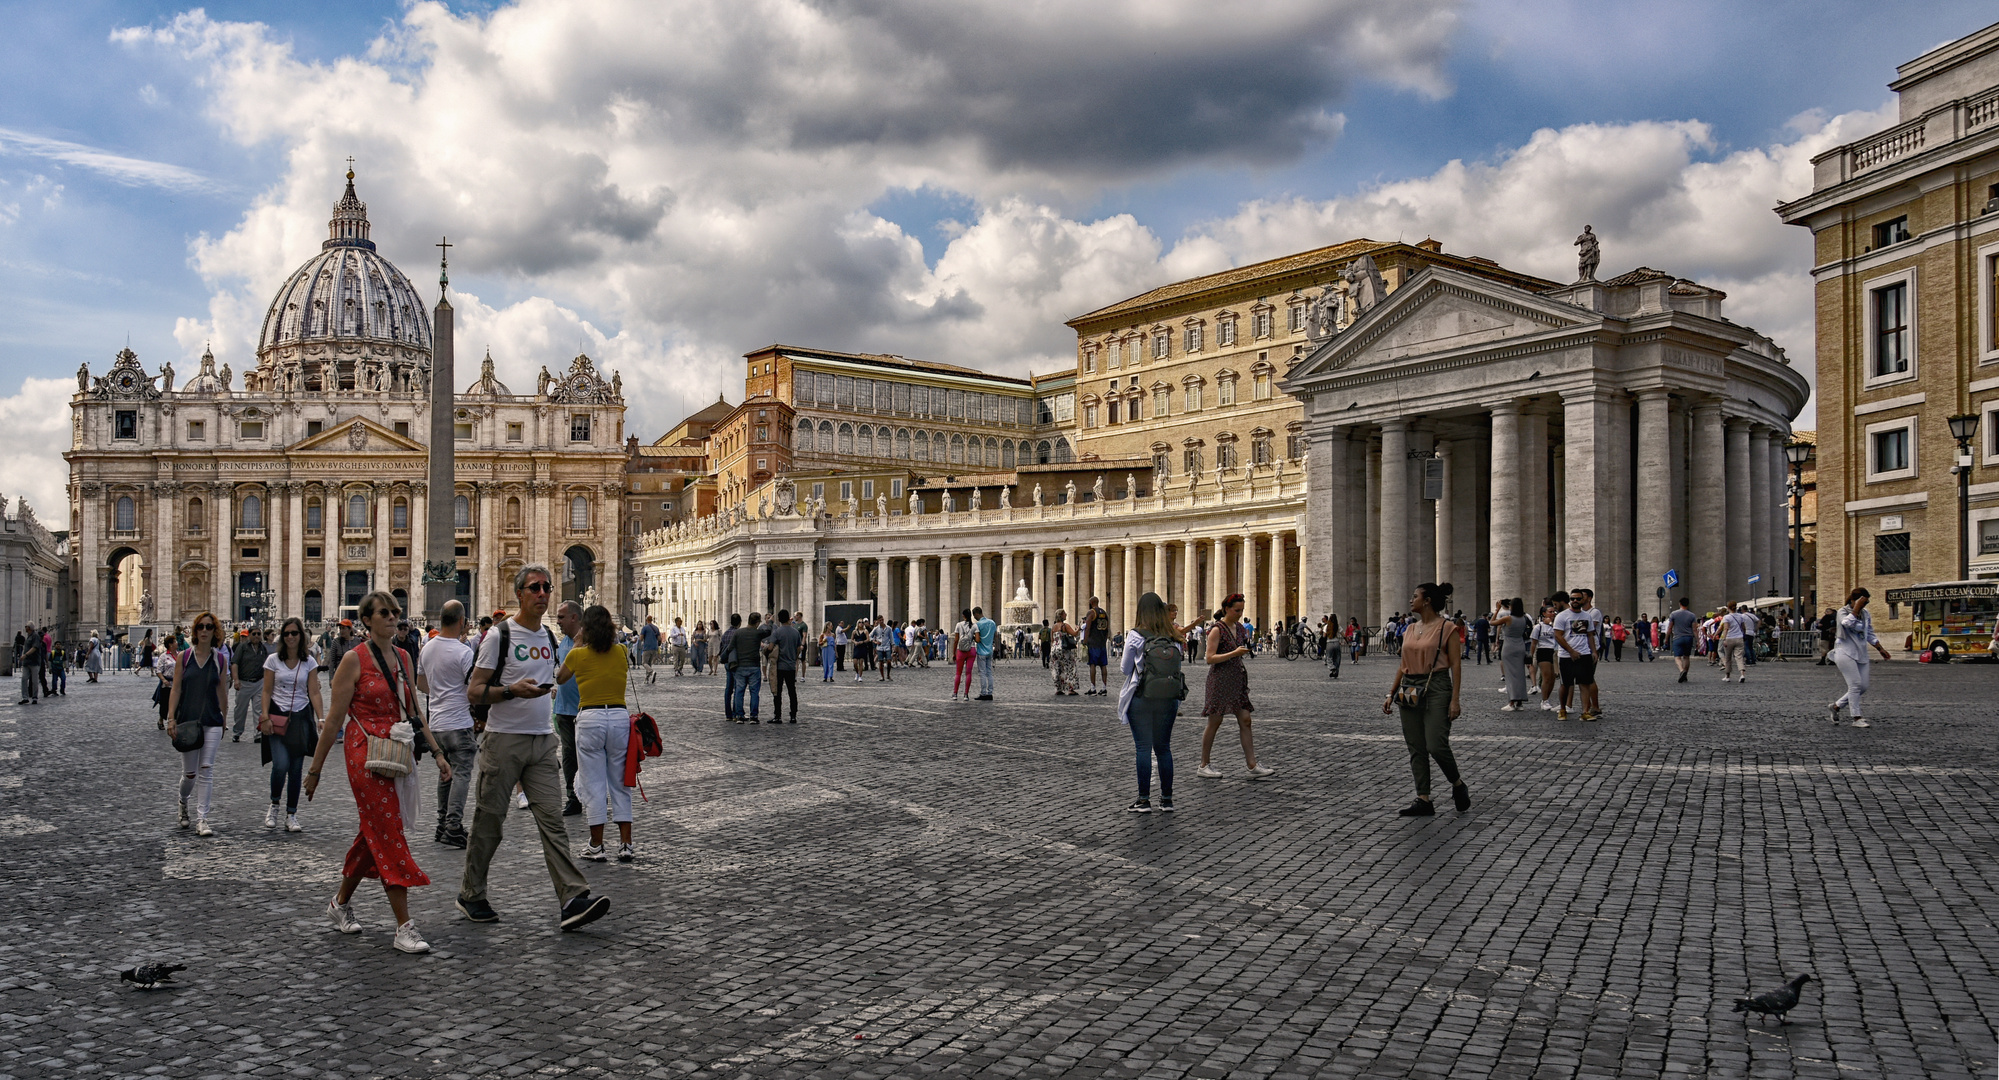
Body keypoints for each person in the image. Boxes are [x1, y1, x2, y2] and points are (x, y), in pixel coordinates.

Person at [458, 564, 610, 931]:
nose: (543, 593)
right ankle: (471, 893)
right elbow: (474, 691)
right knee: (489, 823)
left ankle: (573, 897)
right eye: (535, 588)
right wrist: (512, 690)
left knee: (553, 822)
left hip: (542, 740)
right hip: (503, 739)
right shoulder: (499, 636)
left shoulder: (547, 635)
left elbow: (553, 677)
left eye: (547, 587)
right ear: (519, 594)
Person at [303, 591, 452, 954]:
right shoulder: (353, 660)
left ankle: (339, 904)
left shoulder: (403, 657)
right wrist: (316, 769)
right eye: (384, 613)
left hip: (396, 751)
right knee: (388, 830)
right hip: (363, 752)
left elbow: (414, 709)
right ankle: (404, 926)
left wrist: (437, 752)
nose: (392, 618)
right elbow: (334, 719)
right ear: (367, 620)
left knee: (373, 831)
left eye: (396, 612)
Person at [554, 604, 636, 862]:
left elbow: (560, 678)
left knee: (593, 784)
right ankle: (625, 844)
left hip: (590, 718)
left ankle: (597, 845)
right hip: (619, 717)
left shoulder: (578, 655)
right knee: (621, 782)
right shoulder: (622, 651)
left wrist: (578, 644)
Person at [1382, 582, 1469, 816]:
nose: (1411, 600)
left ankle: (1458, 784)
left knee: (1436, 744)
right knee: (1416, 746)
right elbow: (1403, 664)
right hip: (1410, 687)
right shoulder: (1409, 629)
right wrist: (1391, 692)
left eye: (1415, 596)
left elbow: (1456, 665)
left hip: (1437, 686)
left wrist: (1455, 699)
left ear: (1427, 600)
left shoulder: (1446, 628)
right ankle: (1423, 799)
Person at [415, 600, 478, 848]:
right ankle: (453, 826)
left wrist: (440, 693)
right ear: (462, 622)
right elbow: (473, 689)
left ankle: (442, 824)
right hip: (459, 721)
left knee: (446, 773)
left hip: (437, 723)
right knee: (462, 773)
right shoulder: (463, 652)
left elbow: (420, 684)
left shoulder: (427, 648)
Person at [165, 612, 229, 835]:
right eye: (200, 627)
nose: (204, 630)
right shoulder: (184, 657)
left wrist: (225, 717)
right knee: (190, 773)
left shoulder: (220, 659)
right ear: (195, 631)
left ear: (215, 631)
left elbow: (222, 690)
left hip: (211, 719)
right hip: (188, 720)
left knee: (206, 769)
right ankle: (183, 801)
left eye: (209, 627)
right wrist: (171, 718)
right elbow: (176, 689)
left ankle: (203, 819)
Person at [1119, 592, 1183, 813]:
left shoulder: (1135, 635)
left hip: (1142, 697)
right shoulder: (1173, 635)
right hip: (1169, 698)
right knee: (1164, 748)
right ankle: (1167, 800)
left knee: (1143, 748)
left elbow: (1125, 669)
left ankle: (1144, 800)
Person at [258, 617, 324, 833]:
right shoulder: (272, 660)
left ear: (301, 636)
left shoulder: (310, 662)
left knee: (296, 770)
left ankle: (291, 814)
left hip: (300, 717)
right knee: (280, 765)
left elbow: (314, 691)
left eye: (294, 633)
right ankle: (274, 804)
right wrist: (264, 716)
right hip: (277, 717)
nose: (290, 637)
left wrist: (321, 718)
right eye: (286, 633)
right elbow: (266, 691)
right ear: (282, 637)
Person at [1197, 593, 1271, 779]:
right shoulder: (1216, 629)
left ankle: (1252, 765)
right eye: (1237, 610)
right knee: (1215, 721)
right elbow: (1209, 658)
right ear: (1227, 609)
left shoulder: (1239, 628)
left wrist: (1239, 653)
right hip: (1219, 680)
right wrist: (1234, 653)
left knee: (1246, 720)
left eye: (1242, 610)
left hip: (1237, 679)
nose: (1240, 613)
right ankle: (1204, 764)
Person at [1829, 587, 1892, 728]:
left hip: (1861, 652)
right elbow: (1846, 624)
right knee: (1855, 685)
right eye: (1863, 603)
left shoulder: (1865, 614)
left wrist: (1880, 648)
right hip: (1844, 651)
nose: (1864, 606)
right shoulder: (1842, 612)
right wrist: (1856, 608)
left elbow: (1869, 632)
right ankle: (1856, 718)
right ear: (1854, 600)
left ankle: (1836, 706)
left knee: (1862, 686)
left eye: (1866, 603)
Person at [551, 601, 586, 817]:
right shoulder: (562, 641)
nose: (558, 621)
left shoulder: (588, 641)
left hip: (585, 708)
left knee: (588, 756)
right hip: (564, 708)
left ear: (574, 617)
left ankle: (591, 794)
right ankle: (573, 797)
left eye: (561, 617)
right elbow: (560, 671)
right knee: (569, 756)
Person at [1553, 590, 1602, 721]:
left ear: (1583, 600)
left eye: (1578, 599)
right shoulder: (1562, 616)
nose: (1575, 601)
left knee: (1584, 684)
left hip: (1584, 653)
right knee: (1566, 684)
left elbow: (1590, 635)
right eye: (1573, 598)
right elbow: (1558, 635)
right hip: (1566, 655)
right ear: (1570, 600)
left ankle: (1585, 712)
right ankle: (1562, 709)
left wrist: (1594, 652)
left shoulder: (1587, 616)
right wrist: (1571, 651)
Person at [229, 627, 269, 742]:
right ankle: (237, 732)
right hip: (244, 683)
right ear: (249, 635)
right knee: (240, 710)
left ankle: (258, 734)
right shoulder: (242, 647)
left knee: (259, 709)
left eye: (258, 634)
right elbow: (235, 663)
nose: (256, 636)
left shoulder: (263, 648)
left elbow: (267, 665)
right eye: (254, 634)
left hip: (259, 682)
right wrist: (236, 680)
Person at [726, 612, 767, 723]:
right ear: (757, 622)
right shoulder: (758, 633)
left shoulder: (738, 633)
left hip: (740, 666)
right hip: (754, 666)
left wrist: (724, 658)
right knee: (754, 692)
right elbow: (769, 631)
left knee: (739, 691)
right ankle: (753, 716)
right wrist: (769, 621)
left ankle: (739, 716)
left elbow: (730, 647)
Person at [767, 609, 802, 723]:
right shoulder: (795, 632)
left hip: (779, 666)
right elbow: (798, 648)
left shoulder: (777, 632)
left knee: (778, 692)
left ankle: (778, 716)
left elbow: (771, 647)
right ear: (788, 618)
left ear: (779, 619)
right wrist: (794, 657)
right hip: (791, 666)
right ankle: (793, 716)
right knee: (792, 691)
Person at [1495, 598, 1530, 711]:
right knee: (1520, 674)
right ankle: (1519, 702)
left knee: (1510, 675)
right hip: (1520, 646)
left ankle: (1511, 702)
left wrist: (1497, 610)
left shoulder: (1508, 618)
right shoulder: (1524, 619)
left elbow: (1491, 622)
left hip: (1509, 646)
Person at [1664, 598, 1700, 682]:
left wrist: (1666, 638)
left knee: (1677, 657)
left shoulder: (1674, 614)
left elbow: (1670, 627)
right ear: (1687, 604)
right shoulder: (1692, 615)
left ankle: (1681, 670)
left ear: (1679, 603)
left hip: (1678, 637)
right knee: (1686, 657)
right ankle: (1685, 674)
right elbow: (1694, 629)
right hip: (1688, 637)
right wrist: (1698, 640)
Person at [1715, 602, 1751, 683]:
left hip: (1729, 638)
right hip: (1739, 638)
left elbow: (1726, 628)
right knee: (1739, 657)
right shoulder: (1741, 616)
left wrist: (1724, 639)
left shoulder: (1726, 617)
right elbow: (1743, 627)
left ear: (1728, 608)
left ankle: (1727, 676)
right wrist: (1744, 634)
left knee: (1728, 658)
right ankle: (1742, 674)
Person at [1083, 597, 1111, 695]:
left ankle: (1093, 687)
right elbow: (1107, 628)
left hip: (1093, 642)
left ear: (1091, 603)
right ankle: (1104, 688)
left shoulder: (1091, 613)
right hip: (1102, 642)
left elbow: (1087, 627)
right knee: (1103, 665)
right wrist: (1105, 639)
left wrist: (1085, 640)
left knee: (1092, 665)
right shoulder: (1104, 613)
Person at [1050, 609, 1080, 696]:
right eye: (1064, 614)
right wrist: (1078, 629)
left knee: (1057, 668)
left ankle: (1058, 688)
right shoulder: (1064, 626)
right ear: (1061, 615)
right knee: (1070, 667)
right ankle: (1070, 689)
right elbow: (1074, 634)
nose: (1066, 614)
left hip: (1054, 649)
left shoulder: (1053, 627)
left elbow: (1052, 640)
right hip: (1064, 649)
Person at [971, 606, 998, 700]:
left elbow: (977, 639)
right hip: (990, 650)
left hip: (981, 651)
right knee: (989, 672)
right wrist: (997, 649)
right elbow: (996, 636)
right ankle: (990, 693)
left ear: (976, 614)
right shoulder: (992, 622)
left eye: (974, 616)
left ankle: (983, 693)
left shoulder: (978, 625)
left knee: (982, 673)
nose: (974, 618)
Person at [951, 609, 977, 700]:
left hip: (961, 650)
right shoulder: (974, 626)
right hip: (972, 649)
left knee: (958, 673)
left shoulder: (959, 625)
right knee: (968, 673)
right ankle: (966, 694)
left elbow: (956, 640)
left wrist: (954, 652)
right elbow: (977, 640)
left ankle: (955, 693)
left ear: (963, 615)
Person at [17, 623, 41, 705]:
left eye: (26, 626)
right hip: (26, 662)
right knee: (24, 679)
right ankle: (25, 697)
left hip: (34, 662)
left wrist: (25, 655)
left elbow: (34, 647)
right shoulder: (28, 636)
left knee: (34, 681)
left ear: (30, 627)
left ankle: (34, 697)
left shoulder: (35, 636)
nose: (25, 628)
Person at [638, 616, 661, 683]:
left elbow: (641, 638)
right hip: (654, 648)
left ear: (646, 620)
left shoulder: (645, 628)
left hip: (647, 647)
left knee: (644, 663)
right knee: (649, 664)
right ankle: (647, 679)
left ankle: (652, 672)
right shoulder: (656, 628)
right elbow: (659, 639)